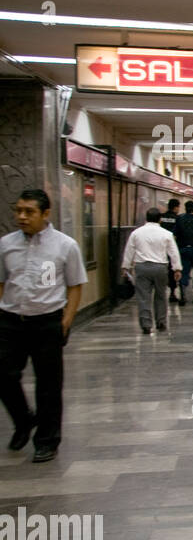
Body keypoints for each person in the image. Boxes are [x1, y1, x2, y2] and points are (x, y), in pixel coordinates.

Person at [0, 188, 87, 463]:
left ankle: (47, 440)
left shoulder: (65, 245)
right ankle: (24, 419)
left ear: (45, 213)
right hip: (11, 320)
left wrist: (67, 319)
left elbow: (75, 285)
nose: (22, 217)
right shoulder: (5, 245)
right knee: (4, 374)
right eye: (19, 211)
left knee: (49, 383)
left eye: (29, 212)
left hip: (47, 321)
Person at [121, 208, 182, 334]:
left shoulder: (136, 233)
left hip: (142, 267)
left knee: (143, 297)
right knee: (161, 295)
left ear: (146, 218)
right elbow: (174, 253)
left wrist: (125, 266)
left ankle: (146, 324)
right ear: (160, 219)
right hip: (160, 268)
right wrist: (177, 269)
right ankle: (161, 322)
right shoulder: (166, 233)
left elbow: (129, 250)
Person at [159, 198, 182, 304]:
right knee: (173, 268)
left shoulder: (161, 218)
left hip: (160, 247)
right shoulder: (178, 218)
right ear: (176, 207)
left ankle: (160, 290)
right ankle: (172, 292)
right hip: (172, 246)